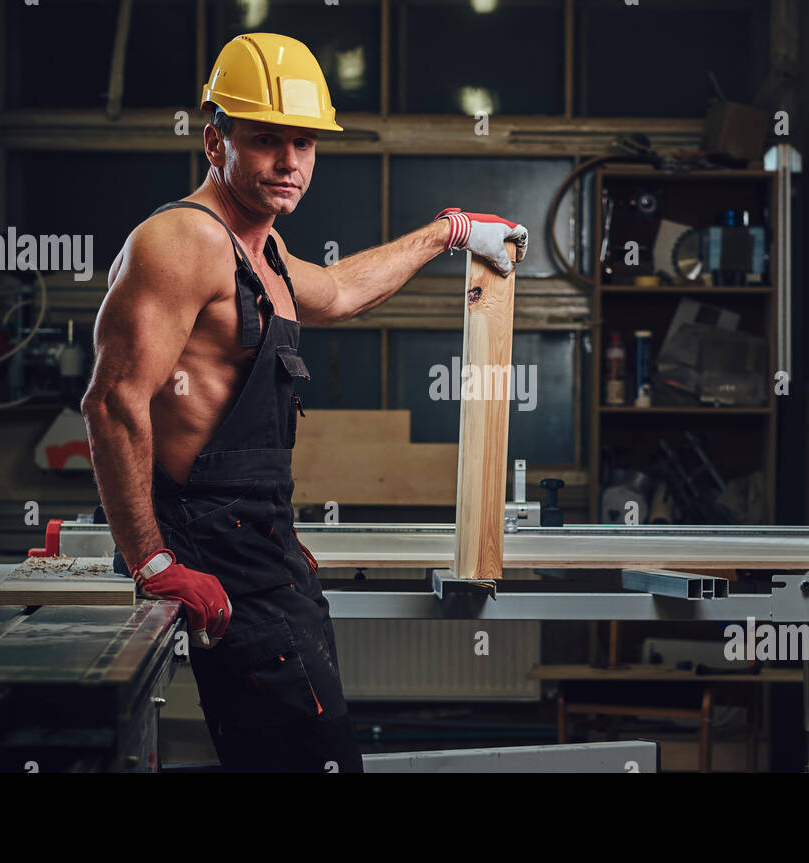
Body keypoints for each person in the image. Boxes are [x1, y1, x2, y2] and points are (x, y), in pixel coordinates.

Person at [80, 33, 526, 772]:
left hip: (261, 547)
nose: (290, 162)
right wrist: (152, 560)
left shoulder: (266, 251)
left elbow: (344, 290)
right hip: (215, 550)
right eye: (265, 141)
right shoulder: (182, 241)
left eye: (304, 143)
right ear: (215, 140)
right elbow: (111, 401)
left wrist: (448, 234)